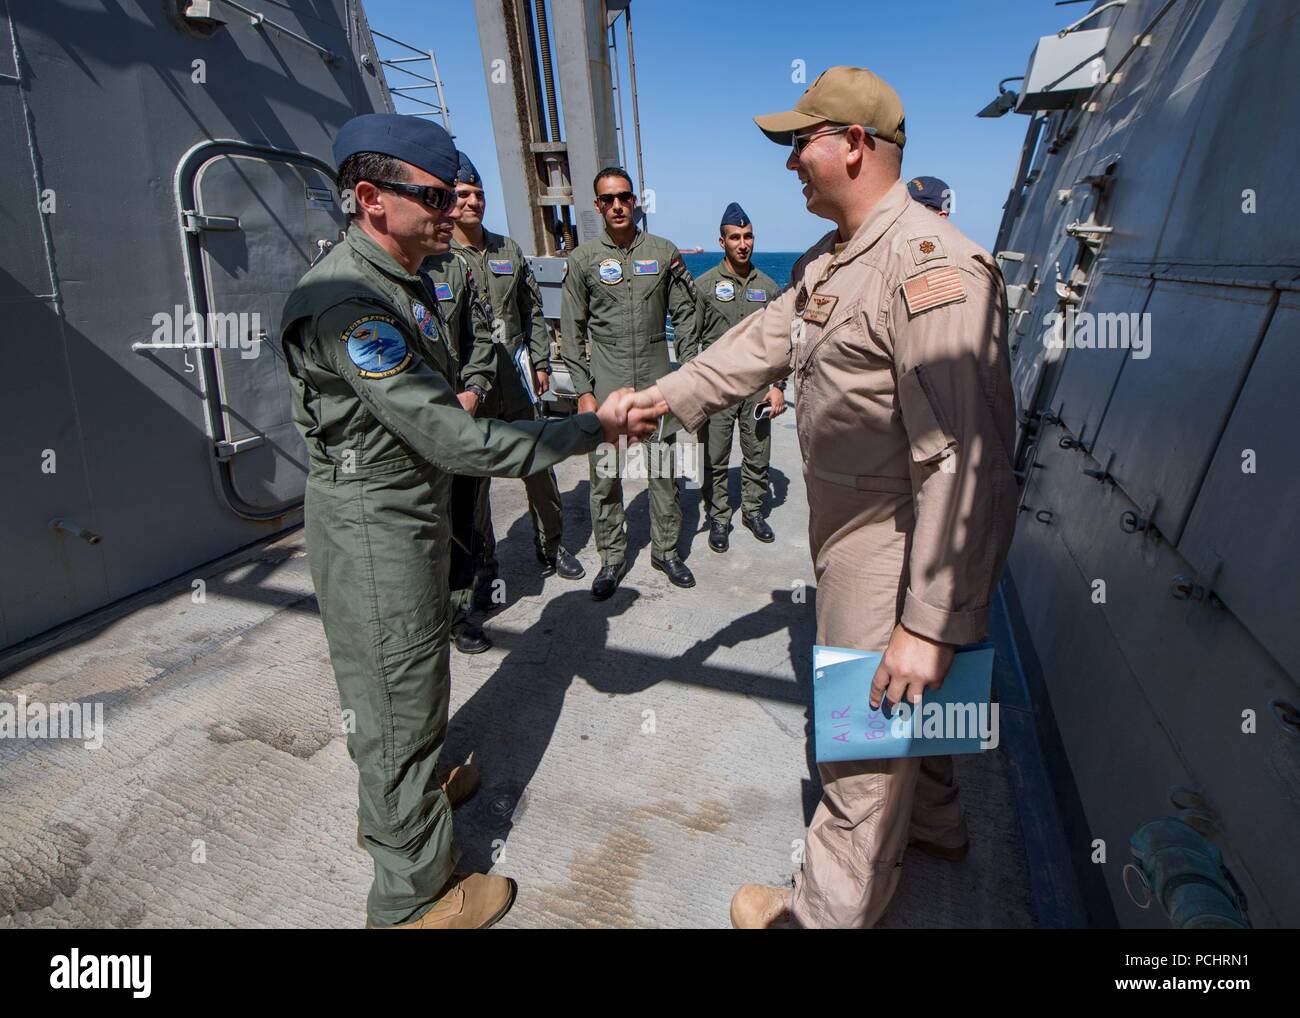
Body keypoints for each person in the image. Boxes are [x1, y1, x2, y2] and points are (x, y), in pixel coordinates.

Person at [621, 67, 1017, 928]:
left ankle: (825, 912)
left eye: (802, 140)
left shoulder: (930, 268)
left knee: (861, 743)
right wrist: (666, 397)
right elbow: (758, 342)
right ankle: (939, 825)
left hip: (896, 538)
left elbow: (965, 461)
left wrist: (929, 620)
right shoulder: (832, 258)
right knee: (922, 717)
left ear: (855, 145)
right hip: (848, 523)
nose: (791, 161)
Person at [279, 113, 655, 929]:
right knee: (396, 695)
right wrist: (592, 426)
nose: (453, 210)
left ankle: (403, 812)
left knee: (410, 689)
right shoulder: (350, 302)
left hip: (409, 510)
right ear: (372, 199)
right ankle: (415, 896)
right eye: (436, 196)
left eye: (453, 195)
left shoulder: (405, 276)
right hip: (377, 527)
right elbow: (455, 434)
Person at [559, 167, 701, 600]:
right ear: (598, 206)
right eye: (607, 199)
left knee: (663, 472)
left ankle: (666, 551)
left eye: (624, 197)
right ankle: (611, 558)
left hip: (657, 385)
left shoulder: (663, 253)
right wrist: (584, 392)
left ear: (635, 201)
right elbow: (571, 331)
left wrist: (690, 374)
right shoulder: (583, 261)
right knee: (605, 476)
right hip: (608, 386)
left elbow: (687, 314)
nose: (617, 205)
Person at [448, 151, 586, 586]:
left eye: (479, 194)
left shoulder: (507, 249)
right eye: (463, 195)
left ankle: (552, 545)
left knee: (538, 466)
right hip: (471, 387)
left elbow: (532, 312)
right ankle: (484, 565)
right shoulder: (438, 258)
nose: (473, 202)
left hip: (517, 379)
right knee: (474, 483)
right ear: (447, 200)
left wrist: (542, 361)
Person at [423, 205, 500, 655]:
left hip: (460, 421)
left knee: (465, 518)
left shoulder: (456, 268)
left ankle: (460, 613)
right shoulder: (364, 275)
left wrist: (473, 389)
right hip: (406, 431)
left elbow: (481, 336)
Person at [692, 202, 785, 553]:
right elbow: (690, 340)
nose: (742, 244)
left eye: (747, 237)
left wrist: (777, 387)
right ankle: (719, 517)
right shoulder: (703, 286)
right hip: (717, 386)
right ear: (722, 242)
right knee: (715, 457)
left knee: (757, 453)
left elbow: (781, 344)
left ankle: (753, 510)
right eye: (735, 237)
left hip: (757, 387)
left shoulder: (769, 287)